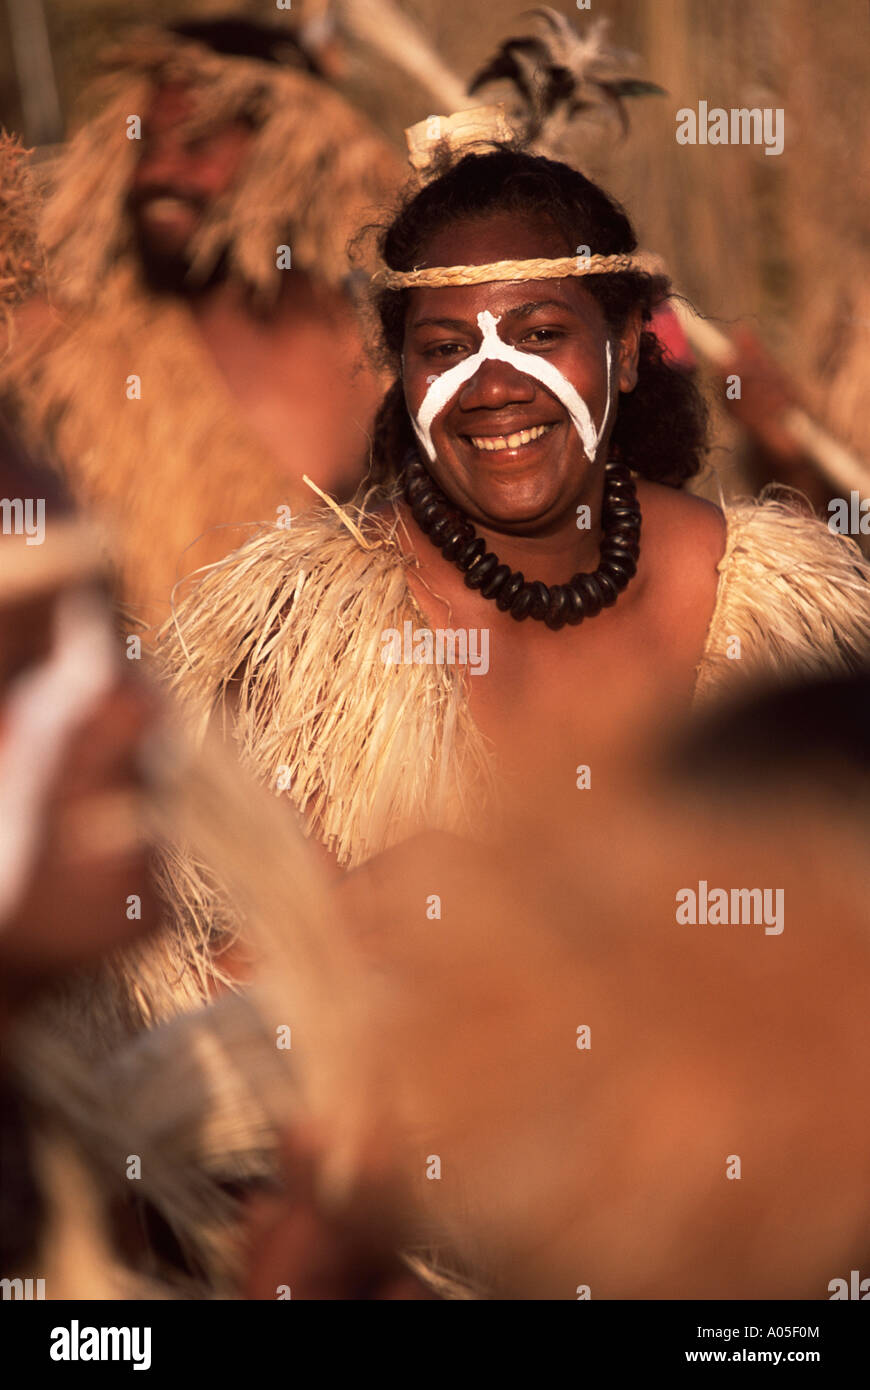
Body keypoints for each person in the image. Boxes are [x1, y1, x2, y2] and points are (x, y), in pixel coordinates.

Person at [156, 139, 870, 874]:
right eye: (444, 348)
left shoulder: (763, 599)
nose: (493, 387)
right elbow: (213, 960)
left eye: (540, 336)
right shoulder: (305, 644)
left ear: (624, 350)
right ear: (401, 371)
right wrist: (349, 934)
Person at [0, 17, 401, 628]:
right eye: (148, 146)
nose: (160, 173)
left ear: (289, 155)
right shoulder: (60, 354)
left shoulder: (387, 358)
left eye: (198, 144)